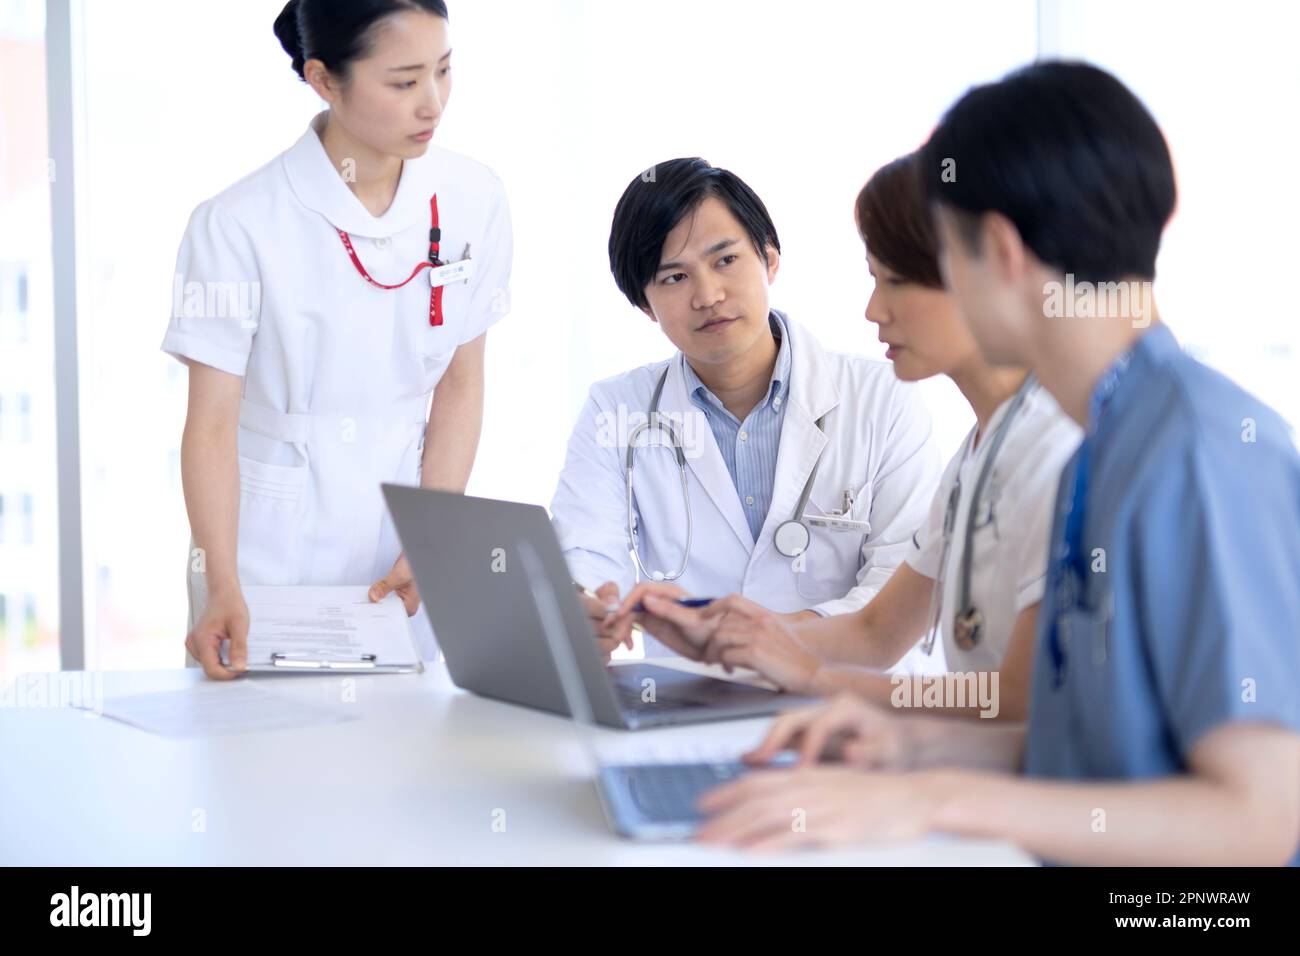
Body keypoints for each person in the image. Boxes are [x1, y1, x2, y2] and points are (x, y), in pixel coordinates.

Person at [691, 61, 1300, 865]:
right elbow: (1090, 761)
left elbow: (1260, 823)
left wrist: (933, 796)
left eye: (942, 253)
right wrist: (905, 753)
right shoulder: (1110, 443)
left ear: (1002, 252)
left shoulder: (1200, 451)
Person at [613, 152, 1081, 720]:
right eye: (872, 278)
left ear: (990, 272)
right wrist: (726, 641)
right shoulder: (979, 456)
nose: (872, 309)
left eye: (896, 281)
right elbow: (877, 630)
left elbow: (1018, 703)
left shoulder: (1061, 449)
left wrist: (847, 703)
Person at [165, 0, 512, 677]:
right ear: (325, 80)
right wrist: (222, 581)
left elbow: (461, 385)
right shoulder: (237, 224)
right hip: (270, 548)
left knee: (404, 760)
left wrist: (433, 533)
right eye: (404, 81)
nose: (433, 103)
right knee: (265, 765)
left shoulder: (476, 196)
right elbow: (209, 427)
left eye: (444, 71)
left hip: (402, 530)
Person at [550, 158, 942, 674]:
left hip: (853, 702)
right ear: (644, 304)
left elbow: (898, 589)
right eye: (674, 276)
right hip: (689, 701)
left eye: (726, 260)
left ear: (770, 259)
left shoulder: (885, 397)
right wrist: (588, 608)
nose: (707, 295)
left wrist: (759, 639)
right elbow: (584, 555)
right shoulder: (615, 410)